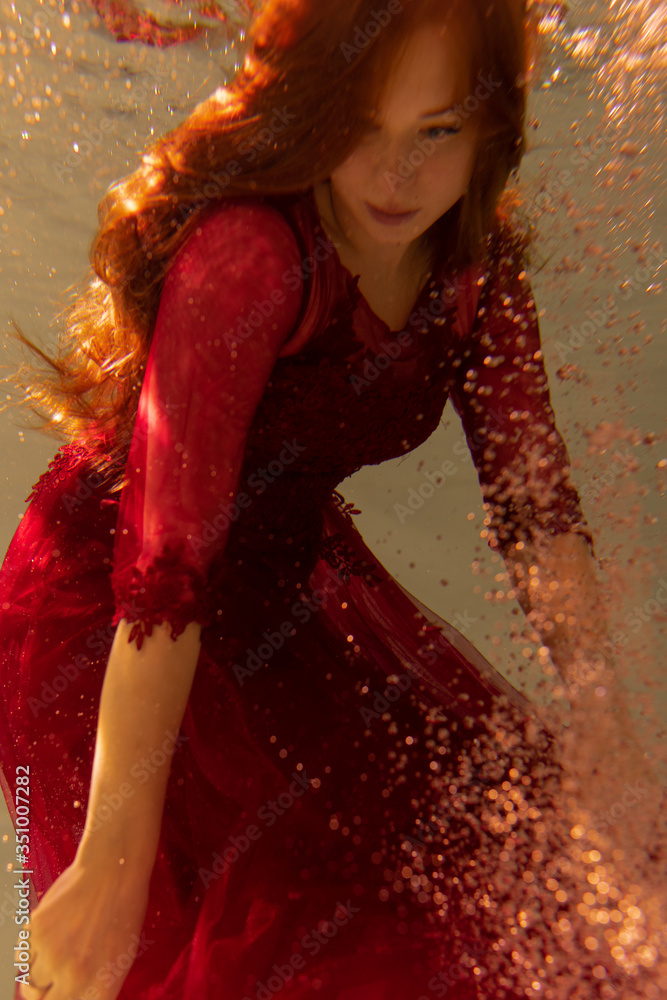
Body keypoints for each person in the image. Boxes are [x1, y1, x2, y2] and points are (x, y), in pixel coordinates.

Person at [1, 1, 662, 998]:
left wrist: (606, 735)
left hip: (275, 589)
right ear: (311, 106)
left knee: (513, 862)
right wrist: (112, 857)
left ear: (490, 131)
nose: (395, 177)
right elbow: (164, 569)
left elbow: (538, 519)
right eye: (360, 126)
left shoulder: (475, 277)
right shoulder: (249, 259)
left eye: (436, 132)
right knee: (196, 935)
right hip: (115, 603)